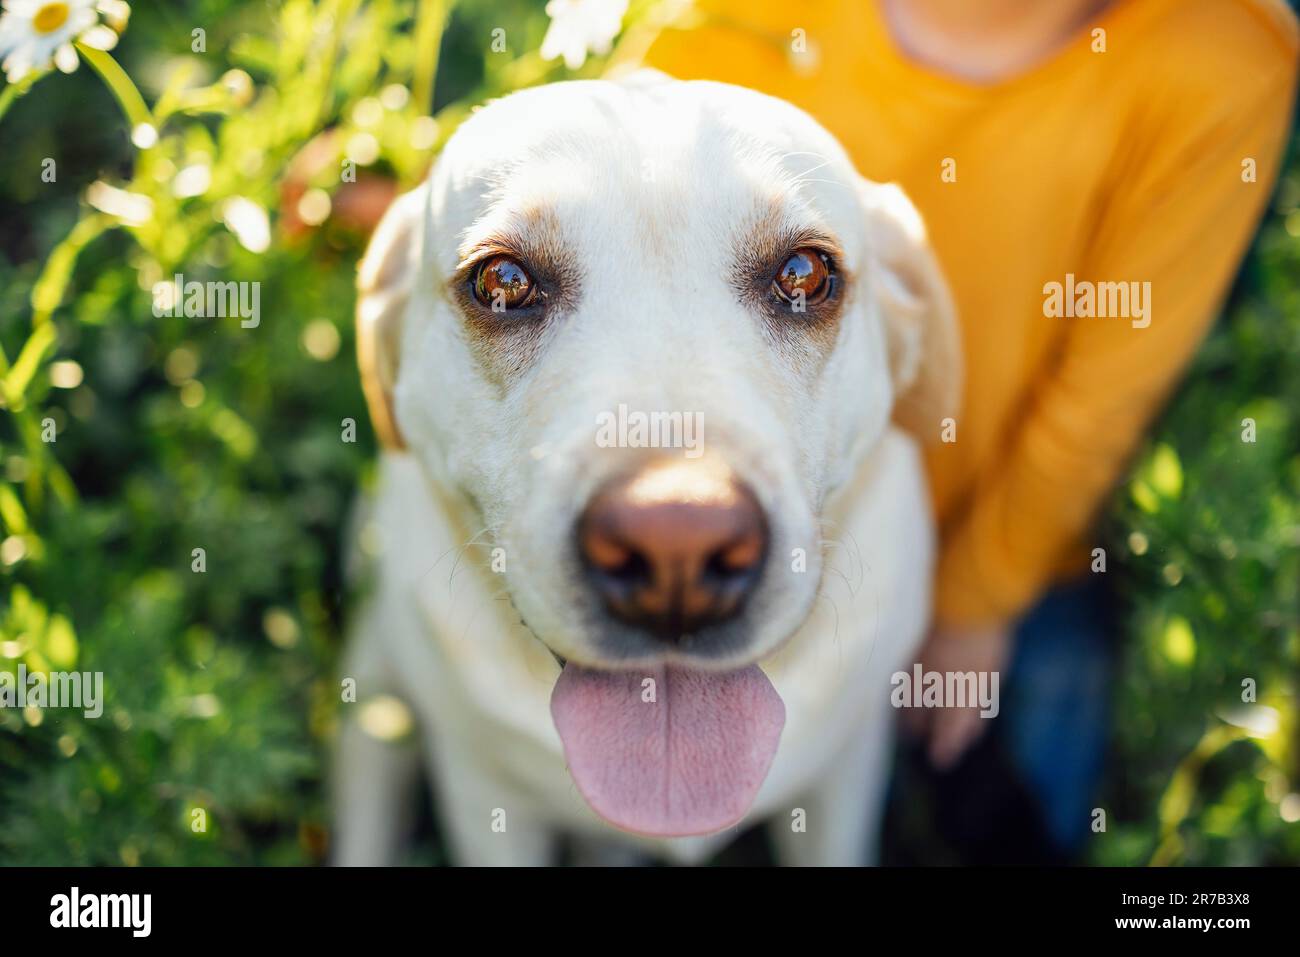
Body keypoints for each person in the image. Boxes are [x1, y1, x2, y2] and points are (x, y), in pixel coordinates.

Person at [645, 0, 1300, 857]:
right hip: (754, 526)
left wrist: (971, 600)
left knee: (1012, 829)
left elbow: (1102, 394)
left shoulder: (1221, 54)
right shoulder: (738, 18)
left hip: (1014, 543)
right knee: (687, 808)